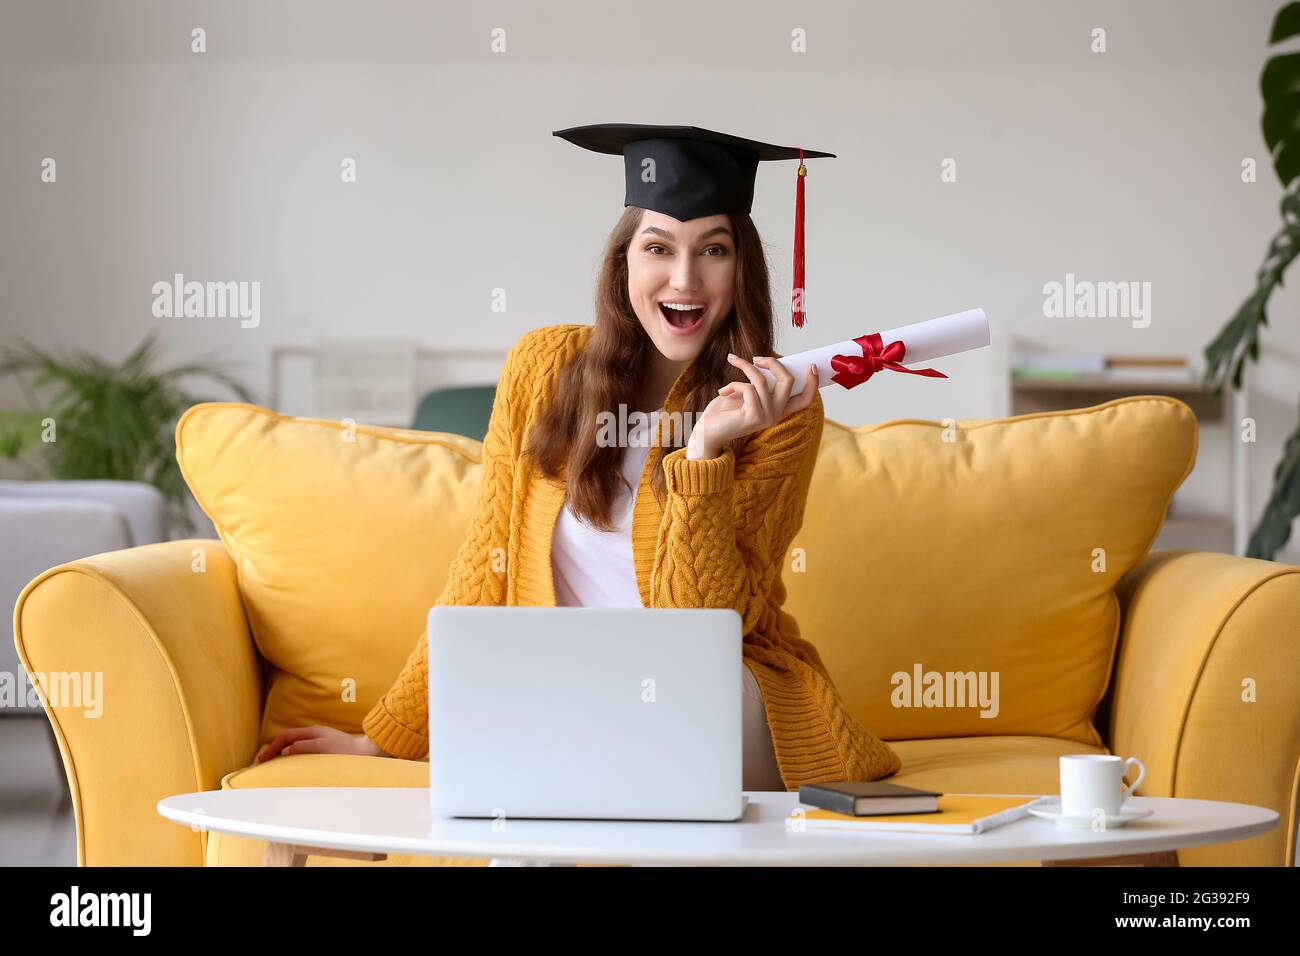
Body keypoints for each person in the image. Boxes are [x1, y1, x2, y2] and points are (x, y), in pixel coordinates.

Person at [256, 124, 902, 796]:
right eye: (659, 248)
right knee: (529, 738)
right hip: (563, 694)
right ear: (623, 262)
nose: (686, 278)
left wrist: (706, 451)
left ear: (742, 268)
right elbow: (485, 567)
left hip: (714, 697)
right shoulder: (542, 367)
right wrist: (387, 738)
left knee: (631, 729)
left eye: (714, 249)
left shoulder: (782, 409)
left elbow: (706, 628)